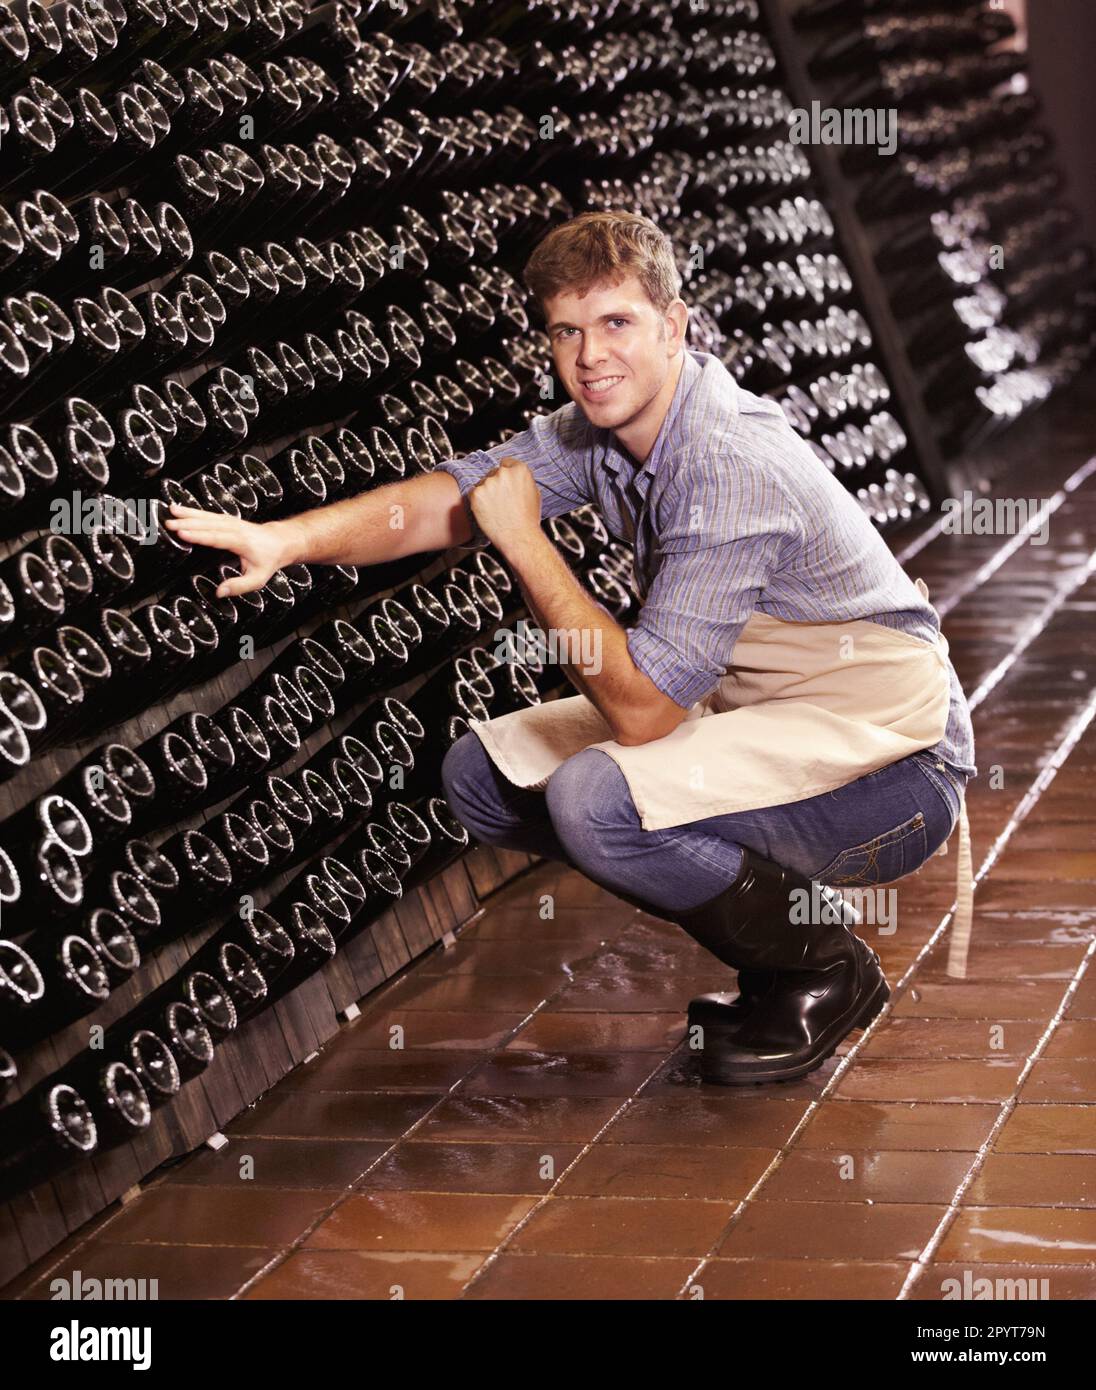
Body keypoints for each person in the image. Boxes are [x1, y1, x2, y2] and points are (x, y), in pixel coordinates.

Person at [165, 210, 977, 1088]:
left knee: (597, 800)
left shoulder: (730, 463)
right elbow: (443, 502)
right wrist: (287, 540)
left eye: (618, 323)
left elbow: (640, 711)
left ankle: (820, 968)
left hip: (895, 769)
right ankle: (780, 949)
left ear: (675, 326)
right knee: (486, 777)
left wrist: (527, 546)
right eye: (568, 331)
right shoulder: (598, 433)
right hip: (774, 715)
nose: (591, 357)